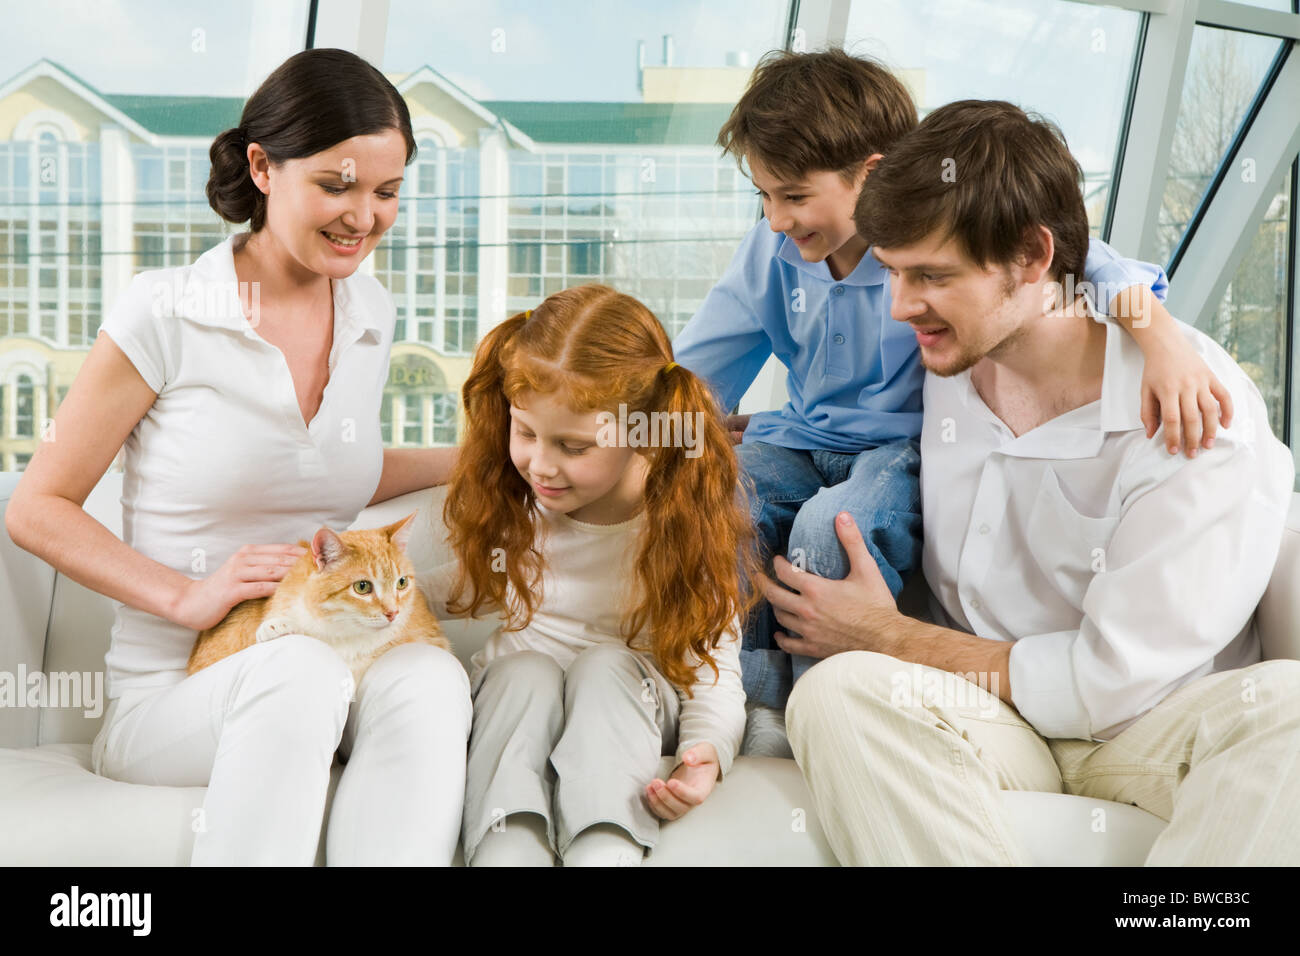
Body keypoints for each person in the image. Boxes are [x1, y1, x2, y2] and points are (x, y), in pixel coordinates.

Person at [773, 99, 1298, 865]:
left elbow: (1106, 682)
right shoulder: (946, 358)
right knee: (837, 694)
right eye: (892, 272)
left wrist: (885, 634)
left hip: (1151, 727)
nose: (899, 306)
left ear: (1030, 258)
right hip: (996, 716)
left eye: (930, 276)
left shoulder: (1194, 414)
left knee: (1290, 707)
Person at [670, 50, 1232, 729]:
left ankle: (811, 716)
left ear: (869, 176)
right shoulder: (773, 253)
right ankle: (736, 698)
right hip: (803, 437)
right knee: (715, 492)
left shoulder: (943, 230)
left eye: (792, 196)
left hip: (897, 447)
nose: (775, 219)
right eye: (763, 197)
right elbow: (698, 370)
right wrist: (669, 429)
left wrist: (1163, 340)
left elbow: (1087, 260)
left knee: (828, 530)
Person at [4, 48, 469, 866]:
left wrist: (472, 459)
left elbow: (331, 462)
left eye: (387, 192)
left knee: (431, 679)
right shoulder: (168, 312)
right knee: (297, 673)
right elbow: (37, 507)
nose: (364, 216)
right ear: (262, 167)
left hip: (334, 666)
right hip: (176, 700)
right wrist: (185, 595)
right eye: (337, 185)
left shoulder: (369, 309)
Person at [417, 284, 762, 866]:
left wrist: (706, 750)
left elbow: (714, 671)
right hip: (518, 699)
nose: (541, 465)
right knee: (522, 671)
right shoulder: (523, 512)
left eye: (573, 446)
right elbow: (453, 589)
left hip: (633, 705)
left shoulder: (678, 526)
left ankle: (604, 851)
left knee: (605, 667)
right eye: (525, 432)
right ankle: (506, 852)